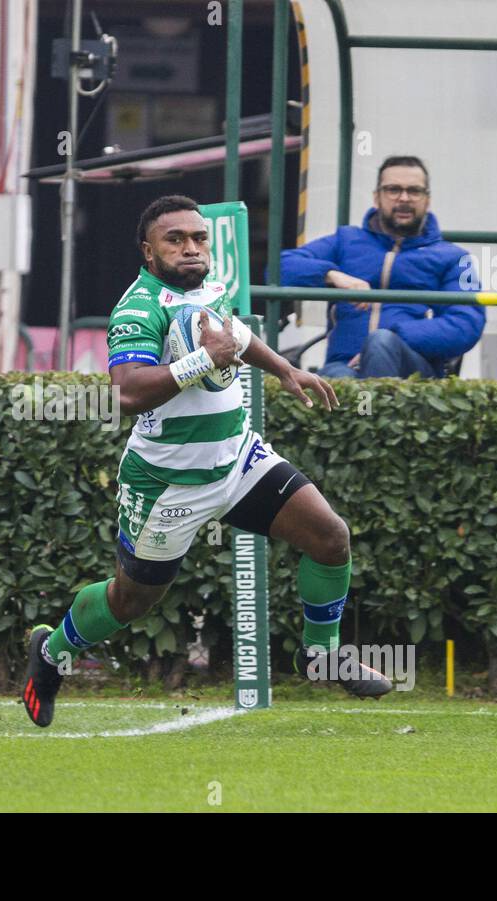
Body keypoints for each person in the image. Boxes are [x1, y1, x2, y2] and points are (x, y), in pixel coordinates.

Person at [20, 194, 392, 729]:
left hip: (237, 458)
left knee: (331, 537)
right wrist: (204, 360)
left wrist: (284, 369)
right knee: (131, 601)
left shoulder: (208, 289)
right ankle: (51, 652)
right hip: (169, 483)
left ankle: (320, 653)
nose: (191, 248)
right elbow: (125, 393)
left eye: (198, 238)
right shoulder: (139, 306)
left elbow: (235, 338)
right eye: (176, 240)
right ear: (149, 252)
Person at [279, 155, 482, 378]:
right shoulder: (345, 240)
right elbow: (280, 267)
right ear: (377, 197)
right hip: (344, 366)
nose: (404, 198)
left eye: (414, 191)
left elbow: (466, 324)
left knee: (381, 342)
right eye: (393, 189)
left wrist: (394, 337)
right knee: (338, 380)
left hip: (415, 373)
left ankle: (372, 411)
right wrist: (332, 275)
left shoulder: (455, 257)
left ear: (428, 200)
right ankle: (368, 412)